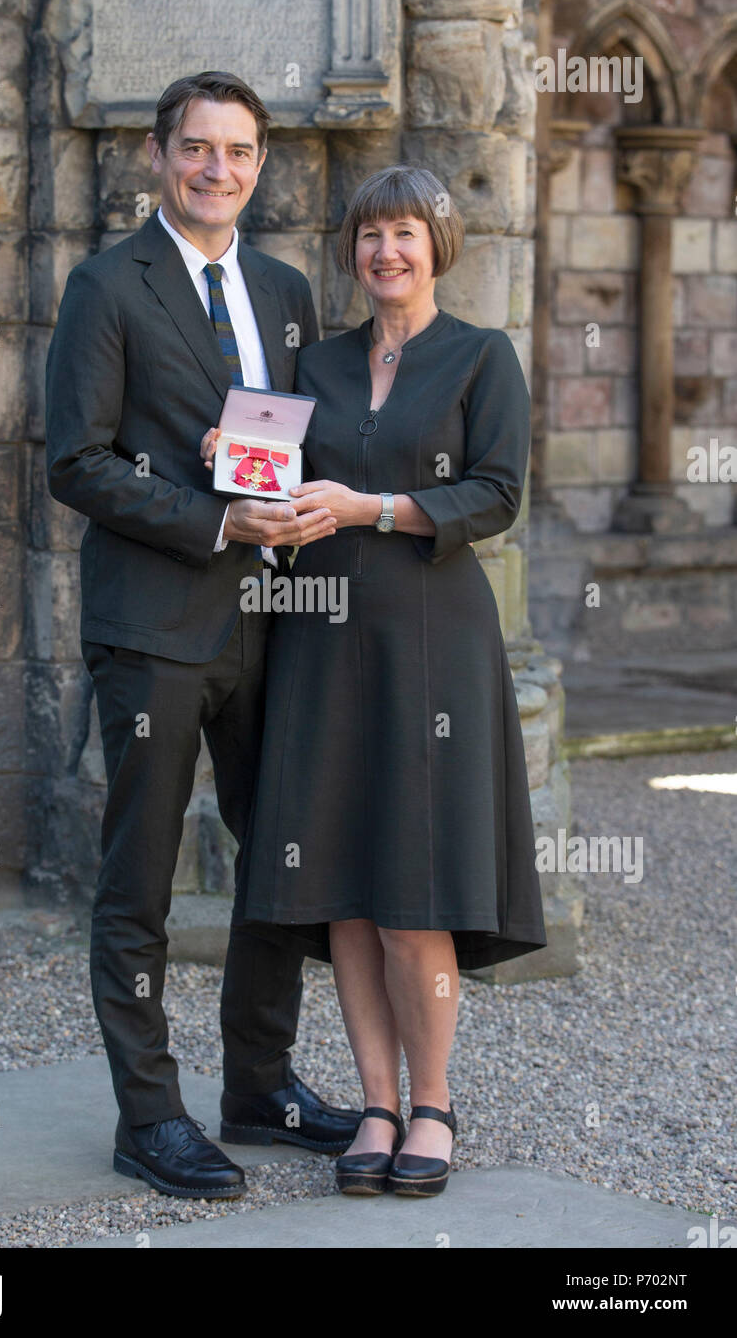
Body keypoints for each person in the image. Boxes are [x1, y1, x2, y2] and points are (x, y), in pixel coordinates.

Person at [202, 163, 547, 1199]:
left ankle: (432, 1101)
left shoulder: (482, 358)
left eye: (404, 234)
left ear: (437, 246)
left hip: (432, 641)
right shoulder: (318, 364)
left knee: (414, 888)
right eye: (368, 236)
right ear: (350, 250)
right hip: (319, 638)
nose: (384, 252)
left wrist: (371, 509)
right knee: (343, 891)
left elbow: (496, 494)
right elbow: (266, 482)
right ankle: (376, 1102)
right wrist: (229, 456)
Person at [45, 71, 359, 1201]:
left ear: (259, 164)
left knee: (281, 857)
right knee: (140, 875)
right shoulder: (104, 286)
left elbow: (292, 439)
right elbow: (74, 462)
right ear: (158, 156)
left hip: (273, 621)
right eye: (195, 149)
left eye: (235, 151)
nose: (215, 169)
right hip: (157, 626)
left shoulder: (281, 289)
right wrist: (216, 517)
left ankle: (259, 1085)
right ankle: (149, 1116)